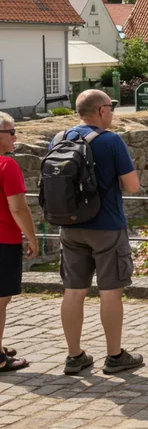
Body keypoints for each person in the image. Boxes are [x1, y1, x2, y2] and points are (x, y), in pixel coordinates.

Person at [54, 90, 143, 375]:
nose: (114, 112)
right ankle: (115, 356)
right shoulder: (111, 140)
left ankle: (74, 355)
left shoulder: (59, 138)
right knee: (110, 292)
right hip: (106, 226)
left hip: (69, 225)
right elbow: (132, 186)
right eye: (112, 107)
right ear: (102, 110)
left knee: (73, 291)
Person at [0, 112, 38, 373]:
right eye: (12, 132)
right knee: (1, 300)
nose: (16, 136)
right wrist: (32, 237)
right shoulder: (7, 165)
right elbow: (18, 208)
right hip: (3, 240)